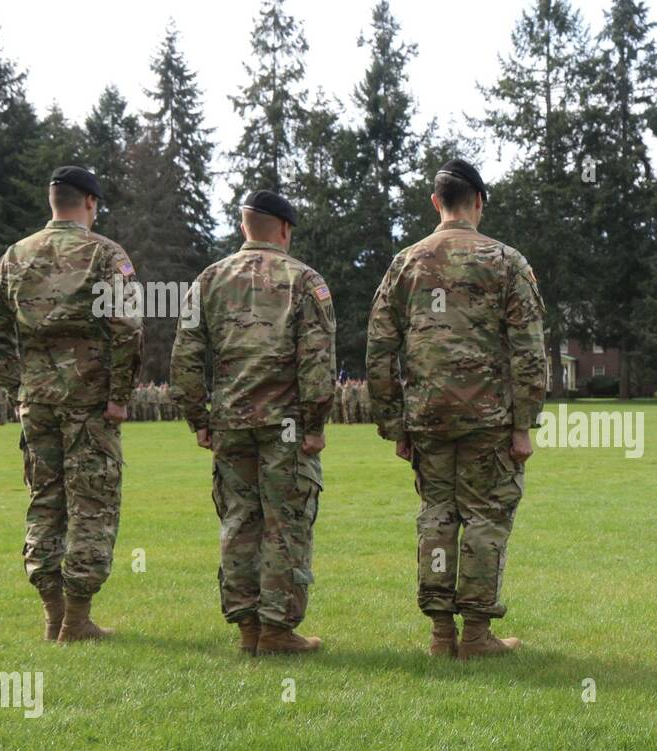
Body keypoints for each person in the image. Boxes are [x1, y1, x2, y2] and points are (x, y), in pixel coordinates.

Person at [367, 158, 546, 661]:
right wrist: (523, 424)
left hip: (427, 419)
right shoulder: (506, 261)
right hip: (489, 420)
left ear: (435, 203)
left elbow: (379, 347)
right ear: (479, 203)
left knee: (438, 518)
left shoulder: (405, 263)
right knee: (486, 518)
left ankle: (440, 636)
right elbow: (529, 348)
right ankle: (475, 636)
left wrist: (394, 423)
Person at [0, 165, 143, 642]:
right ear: (90, 202)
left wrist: (19, 387)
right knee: (92, 502)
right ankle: (76, 617)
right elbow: (128, 328)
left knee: (45, 501)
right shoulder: (105, 254)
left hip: (39, 404)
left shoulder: (16, 256)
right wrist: (118, 397)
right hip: (90, 405)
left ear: (54, 201)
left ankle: (54, 615)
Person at [170, 189, 336, 657]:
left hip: (230, 423)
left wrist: (197, 419)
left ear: (245, 226)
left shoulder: (208, 280)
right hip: (285, 425)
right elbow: (318, 362)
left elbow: (184, 358)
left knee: (239, 521)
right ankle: (277, 631)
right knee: (286, 523)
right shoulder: (303, 280)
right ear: (284, 229)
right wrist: (316, 423)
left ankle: (248, 629)